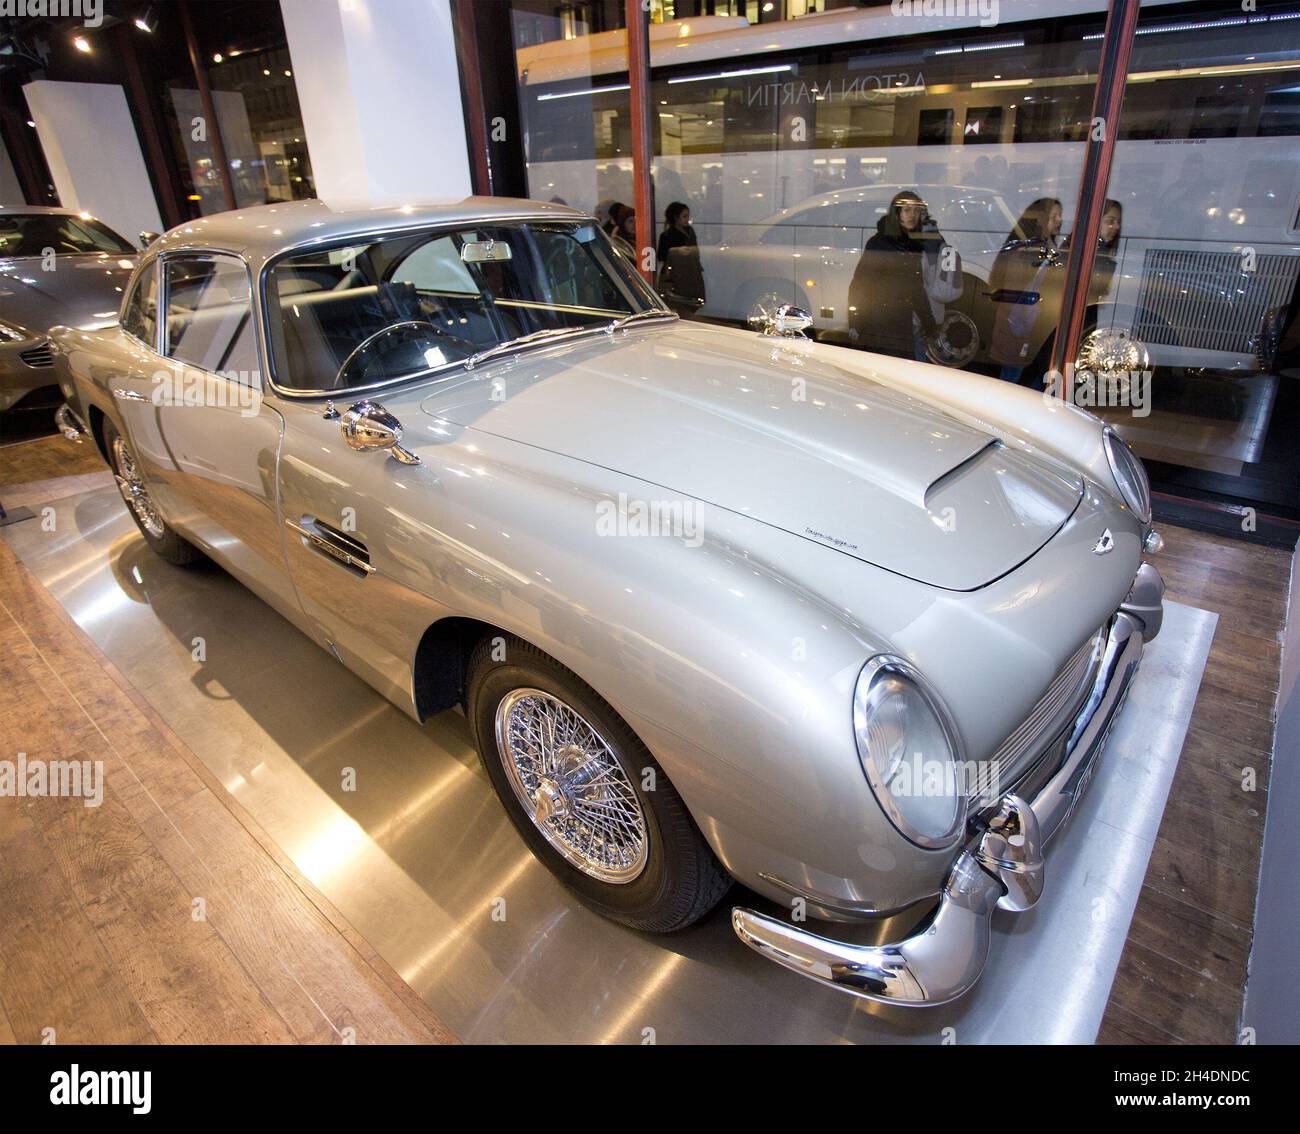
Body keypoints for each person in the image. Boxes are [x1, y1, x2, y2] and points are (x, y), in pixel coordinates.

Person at [847, 189, 944, 361]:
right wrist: (855, 322)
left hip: (901, 321)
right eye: (907, 210)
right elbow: (861, 284)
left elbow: (915, 287)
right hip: (877, 322)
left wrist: (929, 323)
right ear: (897, 213)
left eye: (916, 210)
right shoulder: (880, 243)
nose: (912, 215)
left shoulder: (912, 243)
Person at [988, 196, 1064, 382]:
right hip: (1019, 326)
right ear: (1040, 218)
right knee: (1012, 379)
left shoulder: (1045, 247)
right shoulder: (1026, 252)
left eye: (1060, 215)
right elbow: (1014, 295)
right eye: (1054, 215)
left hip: (1029, 324)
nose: (1059, 220)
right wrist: (1019, 330)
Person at [656, 201, 705, 315]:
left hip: (692, 271)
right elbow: (661, 256)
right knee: (681, 303)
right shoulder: (667, 235)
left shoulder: (689, 231)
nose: (687, 219)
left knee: (693, 301)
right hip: (677, 274)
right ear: (676, 217)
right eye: (684, 216)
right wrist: (677, 252)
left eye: (688, 215)